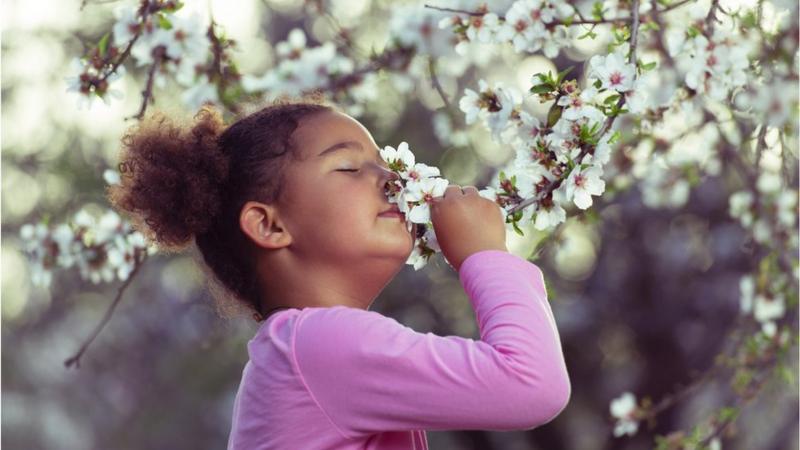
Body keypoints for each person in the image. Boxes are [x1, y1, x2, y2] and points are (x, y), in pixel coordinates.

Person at [107, 93, 571, 450]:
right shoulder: (318, 343)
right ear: (269, 224)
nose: (390, 180)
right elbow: (533, 385)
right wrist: (484, 255)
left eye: (383, 164)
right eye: (350, 167)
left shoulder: (305, 348)